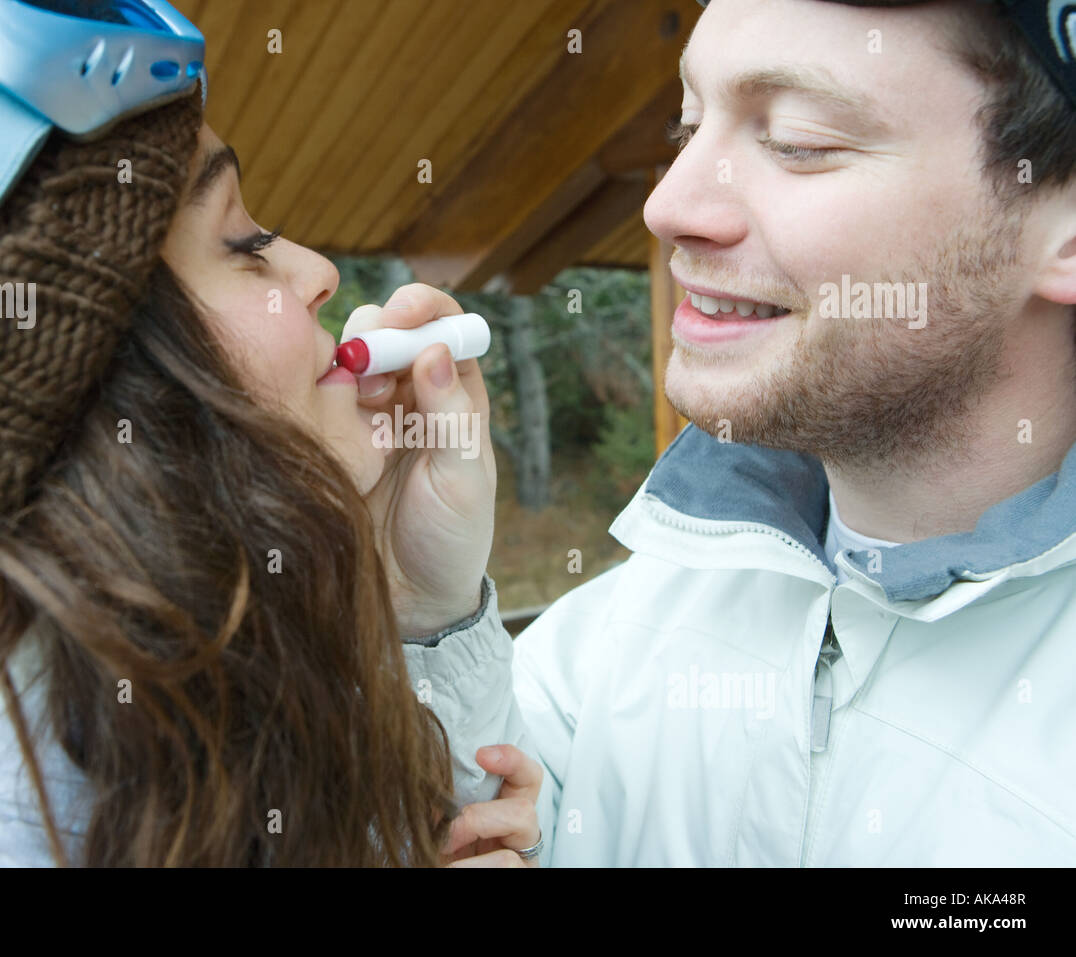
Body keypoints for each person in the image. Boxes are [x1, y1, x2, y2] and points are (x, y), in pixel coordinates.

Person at [0, 0, 538, 867]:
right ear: (83, 394)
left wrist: (417, 611)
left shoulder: (140, 753)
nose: (320, 271)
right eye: (243, 242)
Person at [408, 0, 1076, 865]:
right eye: (687, 127)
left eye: (799, 142)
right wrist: (428, 617)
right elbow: (475, 815)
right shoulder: (622, 627)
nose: (668, 205)